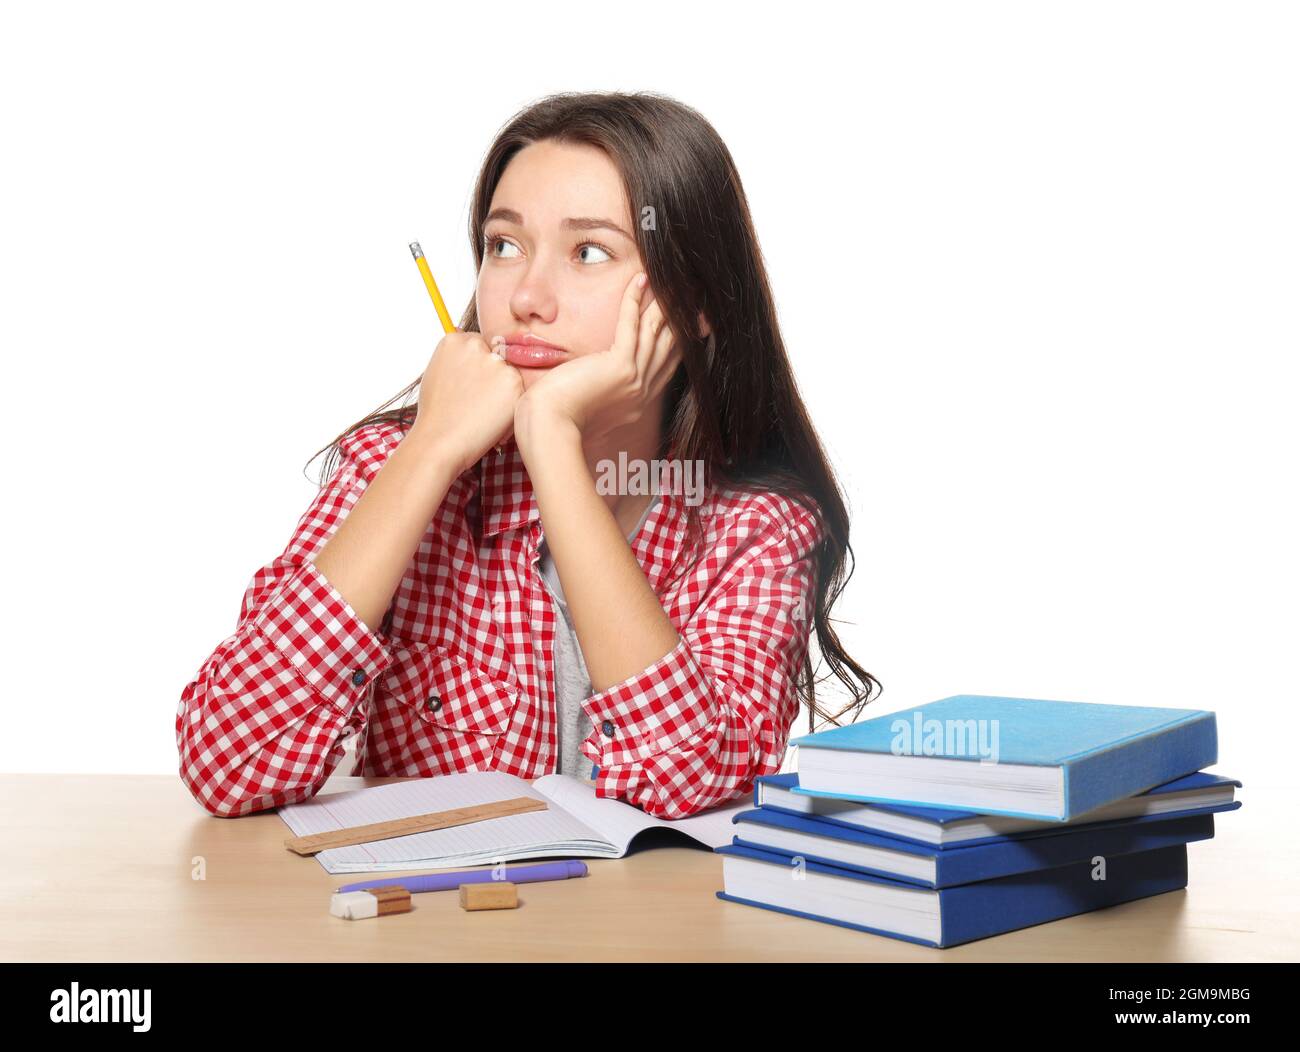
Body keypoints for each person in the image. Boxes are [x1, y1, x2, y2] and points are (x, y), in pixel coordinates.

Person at [176, 91, 879, 820]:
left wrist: (554, 443)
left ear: (696, 302)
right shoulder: (397, 467)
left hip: (653, 936)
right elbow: (228, 762)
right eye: (504, 246)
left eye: (589, 252)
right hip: (443, 925)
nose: (527, 298)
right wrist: (430, 452)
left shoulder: (755, 525)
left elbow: (683, 783)